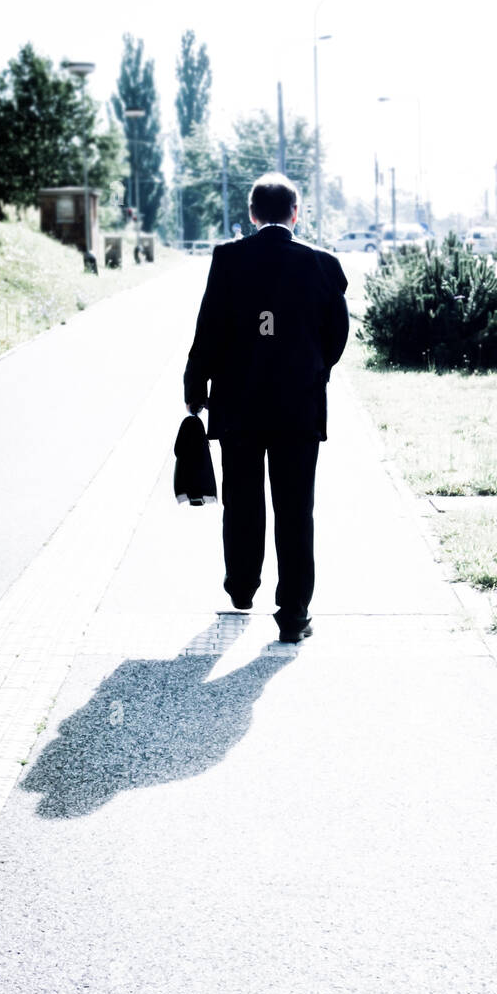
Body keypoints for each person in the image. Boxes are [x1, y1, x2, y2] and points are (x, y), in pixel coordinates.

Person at [183, 172, 349, 642]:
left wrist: (196, 384)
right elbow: (336, 335)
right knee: (296, 508)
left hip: (238, 404)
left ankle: (241, 587)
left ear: (253, 214)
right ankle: (293, 613)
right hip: (298, 406)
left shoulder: (228, 259)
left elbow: (208, 326)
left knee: (242, 499)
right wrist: (316, 370)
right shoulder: (322, 265)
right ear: (296, 213)